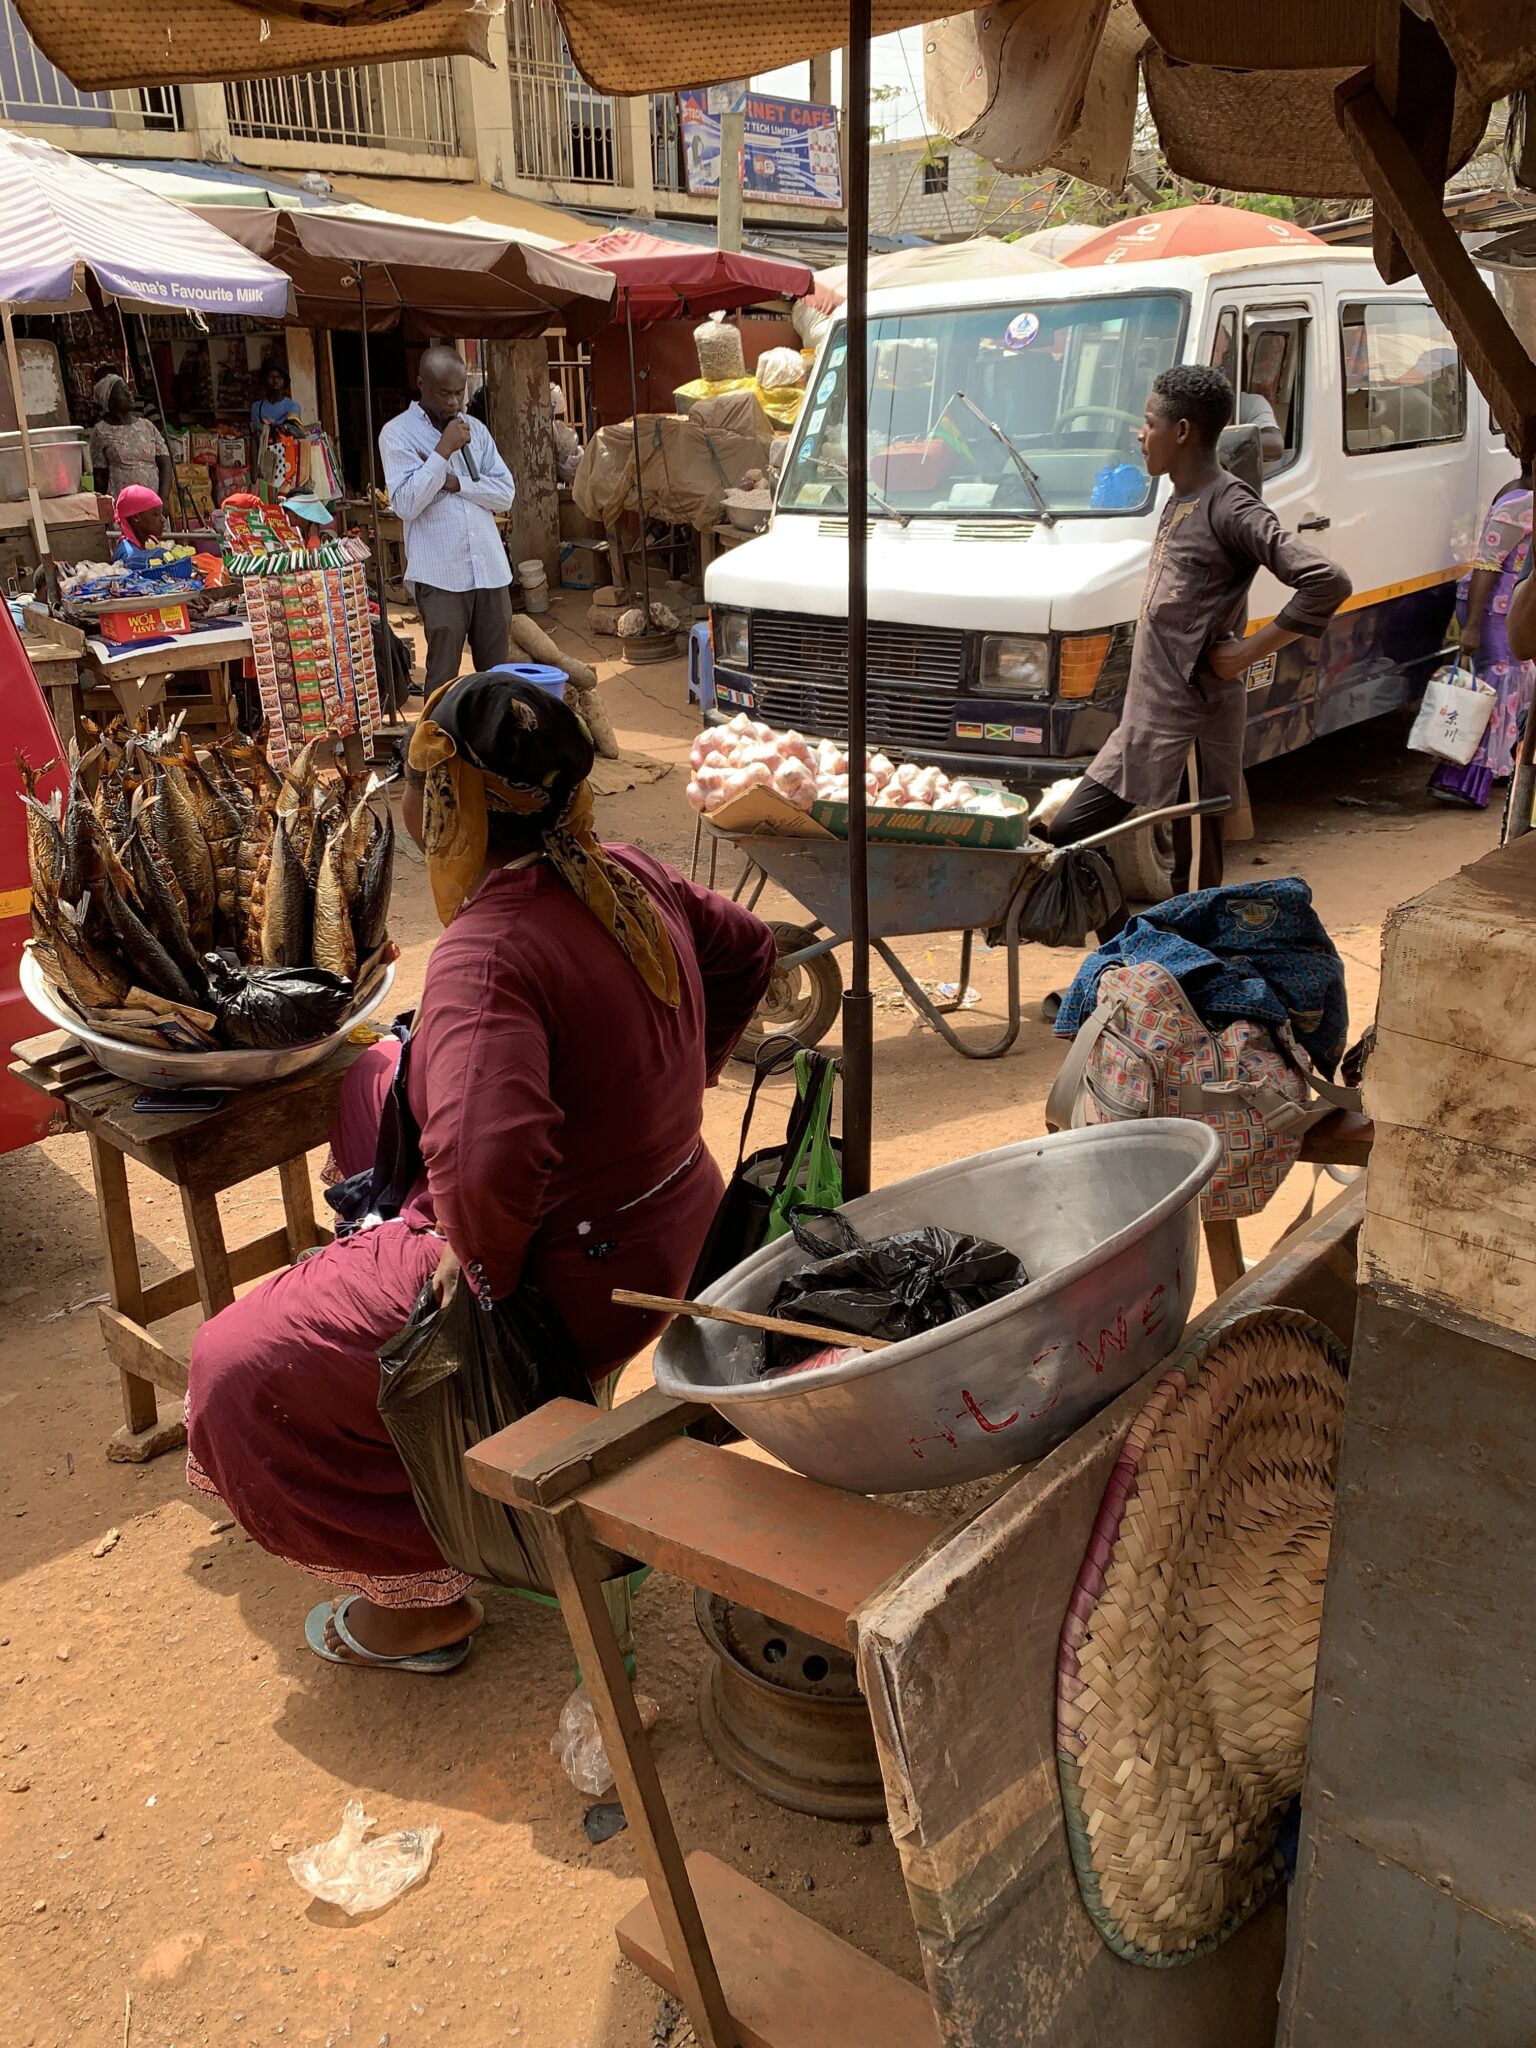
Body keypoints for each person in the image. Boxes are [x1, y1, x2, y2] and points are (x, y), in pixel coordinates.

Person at [185, 673, 777, 1673]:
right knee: (375, 1076)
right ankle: (394, 1263)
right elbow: (749, 949)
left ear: (451, 799)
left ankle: (421, 1597)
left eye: (415, 780)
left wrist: (479, 1280)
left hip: (565, 1281)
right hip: (677, 1214)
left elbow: (495, 1159)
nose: (407, 801)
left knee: (234, 1363)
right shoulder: (624, 872)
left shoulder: (489, 950)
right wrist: (676, 1080)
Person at [1044, 365, 1351, 936]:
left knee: (1190, 886)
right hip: (1146, 721)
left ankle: (1165, 974)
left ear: (1182, 431)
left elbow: (1326, 581)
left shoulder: (1230, 506)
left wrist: (1246, 653)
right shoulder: (1181, 496)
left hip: (1190, 725)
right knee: (1068, 835)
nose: (1140, 434)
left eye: (1149, 422)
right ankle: (1126, 960)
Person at [379, 346, 517, 693]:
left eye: (459, 392)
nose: (454, 402)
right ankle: (437, 729)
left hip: (489, 569)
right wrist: (442, 451)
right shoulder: (397, 434)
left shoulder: (476, 431)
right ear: (421, 384)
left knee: (497, 677)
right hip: (441, 575)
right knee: (442, 677)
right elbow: (406, 504)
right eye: (444, 393)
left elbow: (504, 494)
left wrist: (456, 483)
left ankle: (491, 727)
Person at [1429, 451, 1535, 809]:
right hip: (1493, 609)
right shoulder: (1522, 503)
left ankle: (1493, 770)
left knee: (1511, 685)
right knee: (1499, 687)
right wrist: (1471, 628)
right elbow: (1486, 565)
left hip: (1504, 607)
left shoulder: (1515, 491)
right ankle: (1465, 779)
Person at [1210, 324, 1286, 472]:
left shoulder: (1247, 404)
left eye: (1217, 351)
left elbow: (1273, 444)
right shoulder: (1177, 403)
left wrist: (1218, 444)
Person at [90, 376, 173, 506]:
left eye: (128, 389)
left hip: (152, 503)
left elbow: (165, 463)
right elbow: (100, 476)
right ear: (110, 402)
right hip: (123, 504)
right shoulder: (100, 431)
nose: (129, 394)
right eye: (123, 391)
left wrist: (164, 499)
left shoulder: (147, 426)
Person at [110, 486, 198, 583]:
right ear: (136, 518)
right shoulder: (127, 552)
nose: (163, 519)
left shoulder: (148, 542)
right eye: (156, 514)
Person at [251, 363, 302, 432]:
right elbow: (255, 429)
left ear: (284, 381)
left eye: (279, 377)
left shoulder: (292, 406)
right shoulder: (257, 407)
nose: (275, 381)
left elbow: (292, 428)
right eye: (271, 377)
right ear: (264, 381)